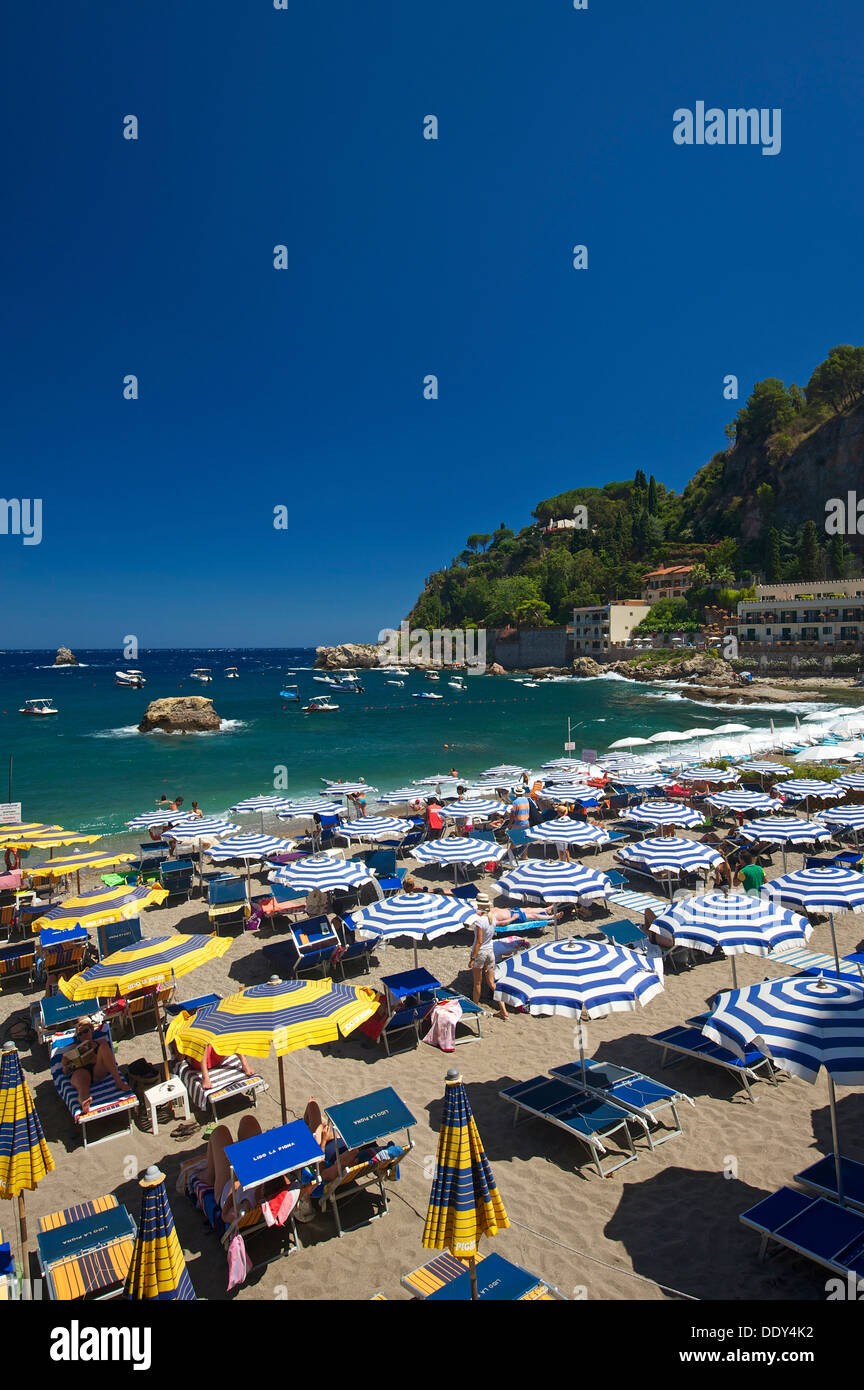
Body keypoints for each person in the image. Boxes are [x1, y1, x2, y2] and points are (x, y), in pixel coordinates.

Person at [61, 1018, 134, 1115]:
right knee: (82, 1085)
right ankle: (84, 1103)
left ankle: (119, 1082)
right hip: (82, 1073)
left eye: (86, 1031)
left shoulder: (101, 1042)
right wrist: (65, 1064)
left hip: (97, 1071)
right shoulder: (74, 1048)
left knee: (103, 1048)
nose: (83, 1035)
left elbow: (108, 1059)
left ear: (91, 1031)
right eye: (80, 1034)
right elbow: (65, 1072)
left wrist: (94, 1056)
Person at [468, 893, 507, 1020]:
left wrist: (472, 958)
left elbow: (478, 941)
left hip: (481, 953)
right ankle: (503, 1010)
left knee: (477, 983)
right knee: (491, 983)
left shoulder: (480, 921)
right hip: (490, 951)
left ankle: (475, 1007)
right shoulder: (492, 919)